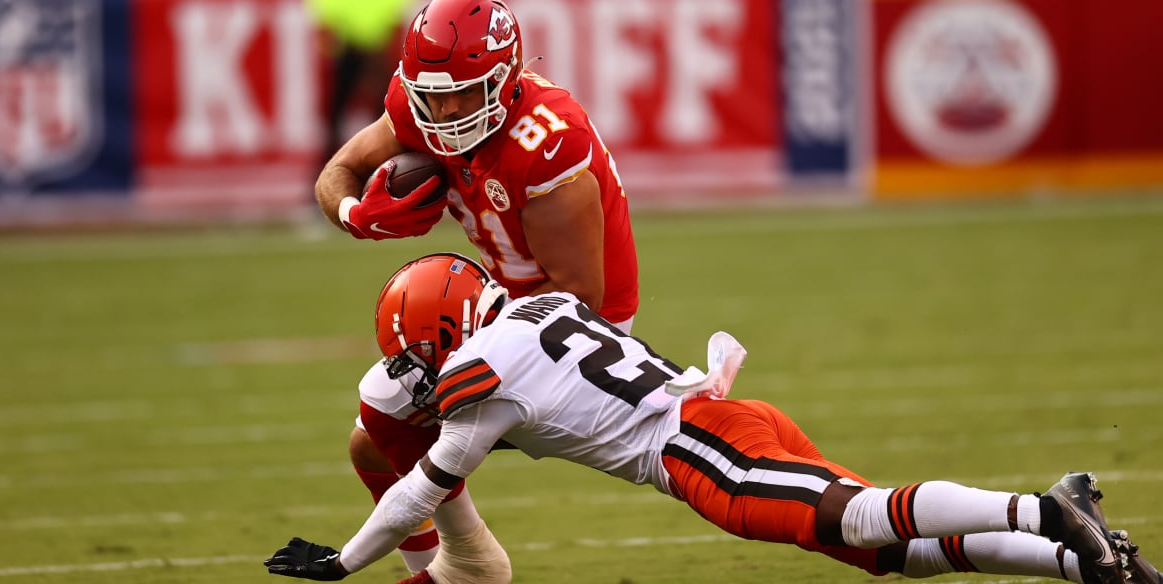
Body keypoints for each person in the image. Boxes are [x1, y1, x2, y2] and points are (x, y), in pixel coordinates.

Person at [264, 252, 1161, 584]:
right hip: (722, 418)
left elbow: (425, 486)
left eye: (418, 352)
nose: (415, 373)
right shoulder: (535, 311)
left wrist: (346, 562)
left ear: (443, 333)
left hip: (698, 447)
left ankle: (1043, 510)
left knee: (852, 515)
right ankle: (1079, 557)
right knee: (885, 551)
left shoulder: (480, 367)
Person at [312, 0, 640, 577]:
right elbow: (338, 172)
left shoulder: (546, 138)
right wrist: (354, 216)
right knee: (374, 437)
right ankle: (458, 563)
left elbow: (579, 299)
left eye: (462, 94)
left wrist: (470, 321)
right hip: (506, 303)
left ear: (506, 79)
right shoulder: (419, 107)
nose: (444, 115)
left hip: (580, 331)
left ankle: (467, 567)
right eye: (432, 99)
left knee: (385, 409)